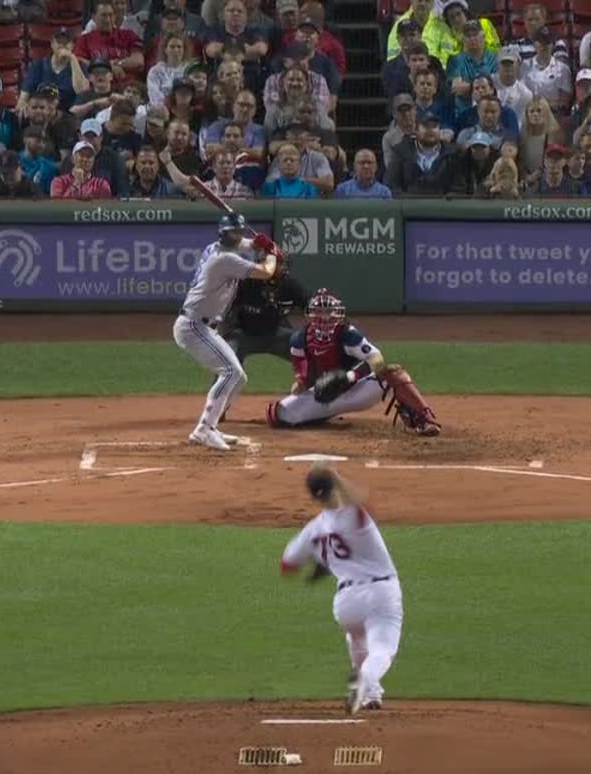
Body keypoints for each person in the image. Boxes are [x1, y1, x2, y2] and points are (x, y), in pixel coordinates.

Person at [279, 463, 405, 715]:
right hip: (380, 593)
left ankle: (371, 694)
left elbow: (287, 565)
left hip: (346, 603)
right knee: (382, 649)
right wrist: (336, 476)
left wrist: (322, 559)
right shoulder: (354, 515)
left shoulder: (312, 530)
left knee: (357, 638)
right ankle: (363, 683)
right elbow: (363, 499)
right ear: (334, 487)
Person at [266, 289, 441, 436]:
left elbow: (376, 359)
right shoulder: (299, 339)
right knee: (276, 415)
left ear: (338, 313)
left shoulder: (348, 334)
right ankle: (318, 416)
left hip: (357, 391)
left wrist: (350, 376)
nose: (325, 317)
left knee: (394, 373)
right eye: (320, 311)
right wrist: (301, 384)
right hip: (324, 397)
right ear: (311, 314)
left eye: (329, 312)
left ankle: (425, 419)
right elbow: (302, 374)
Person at [176, 214, 282, 451]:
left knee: (238, 376)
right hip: (193, 326)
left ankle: (210, 426)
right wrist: (272, 253)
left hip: (203, 326)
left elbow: (245, 243)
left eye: (239, 232)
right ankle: (204, 429)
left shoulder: (216, 247)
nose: (237, 236)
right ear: (224, 234)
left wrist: (259, 243)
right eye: (234, 232)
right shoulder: (224, 260)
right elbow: (266, 272)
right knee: (230, 371)